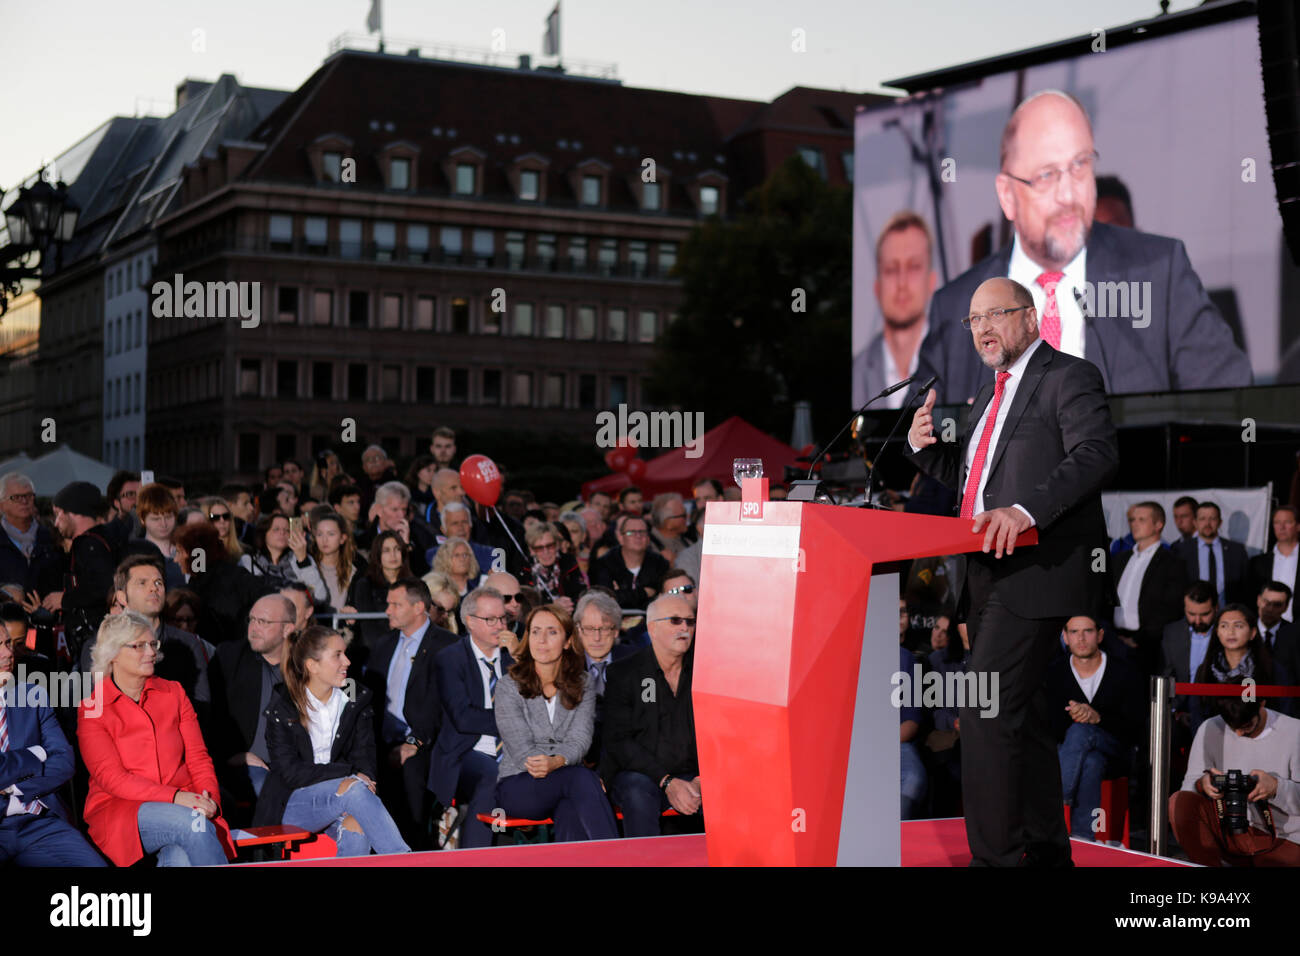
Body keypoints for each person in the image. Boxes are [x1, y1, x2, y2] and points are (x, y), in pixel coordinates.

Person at [906, 275, 1119, 867]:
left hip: (1037, 569)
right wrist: (928, 451)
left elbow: (1097, 453)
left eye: (995, 315)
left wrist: (1027, 513)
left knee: (983, 714)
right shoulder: (986, 398)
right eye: (973, 321)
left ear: (1030, 318)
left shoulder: (1067, 377)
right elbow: (979, 486)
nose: (982, 330)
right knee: (1018, 721)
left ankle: (995, 860)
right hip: (987, 576)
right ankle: (1049, 854)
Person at [915, 90, 1250, 405]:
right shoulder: (954, 306)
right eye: (1046, 175)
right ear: (1007, 196)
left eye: (1080, 166)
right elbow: (909, 446)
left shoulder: (1159, 274)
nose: (1068, 195)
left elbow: (1233, 408)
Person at [78, 611, 235, 866]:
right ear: (113, 653)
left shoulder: (173, 692)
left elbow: (198, 758)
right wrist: (175, 797)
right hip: (123, 809)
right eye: (139, 646)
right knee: (193, 826)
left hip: (185, 802)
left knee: (181, 858)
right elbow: (112, 779)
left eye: (153, 644)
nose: (151, 652)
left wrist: (211, 800)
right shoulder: (93, 708)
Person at [252, 626, 410, 857]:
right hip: (291, 803)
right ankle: (403, 860)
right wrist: (348, 775)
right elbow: (290, 773)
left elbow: (365, 753)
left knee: (357, 826)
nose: (347, 661)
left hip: (346, 798)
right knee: (353, 790)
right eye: (337, 655)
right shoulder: (283, 706)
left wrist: (361, 778)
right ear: (312, 665)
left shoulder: (356, 697)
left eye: (345, 653)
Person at [493, 603, 619, 842]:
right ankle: (616, 857)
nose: (541, 640)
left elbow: (580, 738)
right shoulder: (508, 686)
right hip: (519, 784)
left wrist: (558, 761)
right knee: (582, 779)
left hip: (566, 780)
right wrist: (555, 764)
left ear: (568, 641)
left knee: (570, 807)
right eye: (535, 631)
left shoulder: (583, 682)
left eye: (552, 632)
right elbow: (520, 748)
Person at [362, 578, 458, 849]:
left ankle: (413, 852)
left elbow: (445, 706)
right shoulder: (383, 644)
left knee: (411, 778)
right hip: (381, 741)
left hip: (424, 744)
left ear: (418, 608)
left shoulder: (447, 646)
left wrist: (414, 742)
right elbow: (368, 695)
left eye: (395, 604)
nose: (388, 610)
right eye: (388, 604)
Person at [602, 593, 703, 837]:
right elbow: (619, 742)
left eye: (690, 622)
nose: (685, 628)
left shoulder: (705, 670)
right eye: (675, 621)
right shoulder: (624, 673)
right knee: (637, 792)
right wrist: (666, 781)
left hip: (695, 773)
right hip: (642, 774)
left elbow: (720, 733)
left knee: (728, 791)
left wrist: (702, 779)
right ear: (652, 629)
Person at [1169, 682, 1300, 866]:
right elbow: (1188, 788)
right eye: (1232, 727)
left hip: (1282, 837)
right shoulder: (1211, 727)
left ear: (1261, 703)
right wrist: (1203, 783)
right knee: (1179, 801)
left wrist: (1277, 788)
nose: (1238, 733)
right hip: (1227, 830)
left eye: (1247, 726)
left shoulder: (1294, 731)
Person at [428, 585, 513, 849]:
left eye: (503, 618)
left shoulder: (516, 657)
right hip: (465, 752)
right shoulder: (450, 659)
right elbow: (463, 717)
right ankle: (475, 857)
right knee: (492, 775)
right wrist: (513, 723)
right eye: (491, 619)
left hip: (515, 750)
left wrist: (522, 660)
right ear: (470, 622)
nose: (500, 625)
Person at [1046, 615, 1142, 840]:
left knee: (1082, 733)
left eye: (1087, 631)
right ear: (1065, 637)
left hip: (1116, 750)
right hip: (1073, 755)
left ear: (1099, 635)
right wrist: (1079, 716)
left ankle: (1055, 799)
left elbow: (1134, 726)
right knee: (1091, 761)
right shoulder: (1054, 672)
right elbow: (1049, 726)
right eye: (1074, 632)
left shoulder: (1124, 671)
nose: (1081, 638)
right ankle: (1082, 840)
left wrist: (1097, 718)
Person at [79, 555, 214, 708]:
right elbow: (94, 705)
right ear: (122, 597)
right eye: (142, 583)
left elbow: (202, 705)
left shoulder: (189, 643)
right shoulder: (99, 645)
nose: (153, 588)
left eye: (159, 583)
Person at [206, 594, 298, 810]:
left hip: (293, 768)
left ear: (287, 629)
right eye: (251, 620)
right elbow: (211, 717)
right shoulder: (229, 657)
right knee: (267, 789)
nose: (253, 628)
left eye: (263, 622)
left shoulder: (306, 664)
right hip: (242, 767)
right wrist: (231, 756)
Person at [856, 210, 938, 408]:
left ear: (932, 281)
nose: (902, 283)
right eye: (891, 269)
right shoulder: (856, 371)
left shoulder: (955, 364)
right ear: (877, 286)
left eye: (914, 267)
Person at [1111, 500, 1187, 675]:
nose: (1134, 524)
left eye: (1141, 520)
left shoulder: (1173, 562)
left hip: (1148, 647)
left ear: (1158, 524)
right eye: (1132, 520)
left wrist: (1138, 638)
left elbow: (1171, 607)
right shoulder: (1119, 559)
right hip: (1113, 643)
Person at [176, 523, 277, 645]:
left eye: (179, 552)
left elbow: (269, 596)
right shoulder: (233, 575)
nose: (176, 559)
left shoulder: (235, 578)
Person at [342, 530, 412, 659]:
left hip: (409, 651)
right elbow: (368, 628)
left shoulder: (414, 585)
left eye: (397, 549)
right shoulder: (365, 585)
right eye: (386, 550)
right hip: (376, 653)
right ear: (378, 555)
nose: (393, 555)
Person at [1171, 502, 1249, 607]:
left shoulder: (1236, 551)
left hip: (1227, 613)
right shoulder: (1180, 550)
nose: (1207, 524)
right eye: (1202, 519)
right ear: (1195, 522)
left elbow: (1245, 587)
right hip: (1194, 616)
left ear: (1220, 522)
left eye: (1212, 519)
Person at [0, 472, 62, 601]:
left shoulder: (51, 538)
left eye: (28, 496)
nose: (24, 501)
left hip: (48, 617)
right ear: (1, 505)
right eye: (16, 497)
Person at [589, 514, 669, 612]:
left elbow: (663, 598)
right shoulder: (604, 564)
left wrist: (622, 594)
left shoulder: (659, 563)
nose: (638, 536)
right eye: (631, 532)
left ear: (648, 539)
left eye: (642, 532)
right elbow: (605, 601)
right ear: (621, 538)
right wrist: (643, 593)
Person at [239, 514, 326, 601]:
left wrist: (303, 561)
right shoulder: (249, 561)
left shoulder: (301, 558)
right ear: (264, 533)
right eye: (276, 529)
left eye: (287, 530)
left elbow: (319, 596)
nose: (282, 532)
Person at [300, 510, 363, 611]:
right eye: (319, 534)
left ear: (342, 538)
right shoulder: (308, 566)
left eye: (331, 534)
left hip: (341, 625)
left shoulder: (355, 570)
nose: (324, 540)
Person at [520, 522, 585, 613]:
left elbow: (581, 593)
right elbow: (523, 605)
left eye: (550, 546)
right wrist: (551, 606)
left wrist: (569, 604)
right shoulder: (524, 568)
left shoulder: (568, 562)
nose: (546, 552)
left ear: (557, 545)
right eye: (539, 548)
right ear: (531, 550)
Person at [1249, 506, 1298, 621]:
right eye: (1277, 522)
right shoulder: (1257, 562)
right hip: (1266, 629)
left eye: (1287, 522)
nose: (1282, 527)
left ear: (1298, 526)